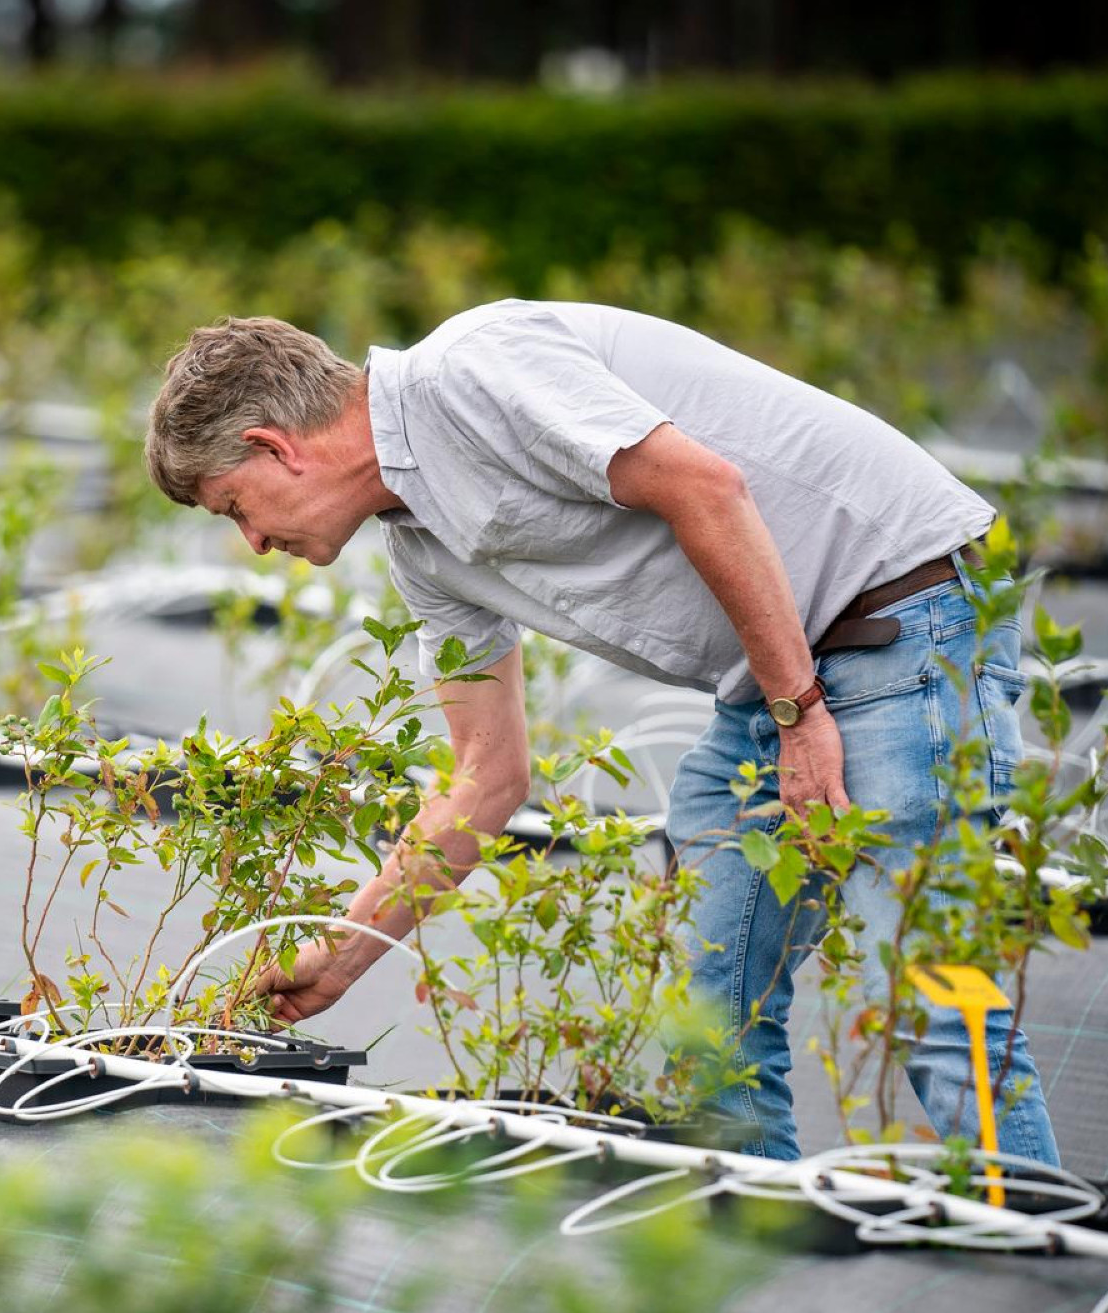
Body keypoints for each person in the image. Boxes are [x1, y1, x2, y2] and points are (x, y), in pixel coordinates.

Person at [142, 301, 1058, 1164]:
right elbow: (486, 778)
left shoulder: (471, 374)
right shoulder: (421, 550)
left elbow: (704, 486)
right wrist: (343, 957)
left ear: (274, 446)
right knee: (710, 1011)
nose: (252, 544)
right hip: (781, 679)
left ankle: (1027, 1253)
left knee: (929, 991)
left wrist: (799, 711)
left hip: (902, 616)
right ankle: (759, 1260)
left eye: (234, 507)